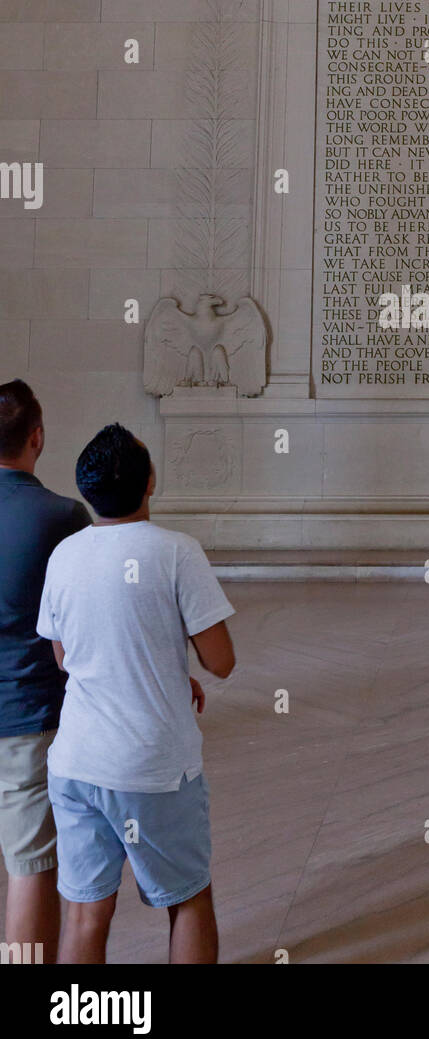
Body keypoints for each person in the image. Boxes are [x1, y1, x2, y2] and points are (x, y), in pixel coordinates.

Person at [37, 423, 236, 964]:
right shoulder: (178, 551)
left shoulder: (65, 555)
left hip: (76, 764)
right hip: (152, 769)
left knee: (83, 912)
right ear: (151, 482)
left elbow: (67, 660)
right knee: (188, 900)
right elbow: (222, 662)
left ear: (86, 487)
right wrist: (174, 666)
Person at [0, 379, 91, 963]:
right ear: (37, 437)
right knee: (30, 863)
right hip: (26, 716)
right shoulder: (62, 517)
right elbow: (91, 624)